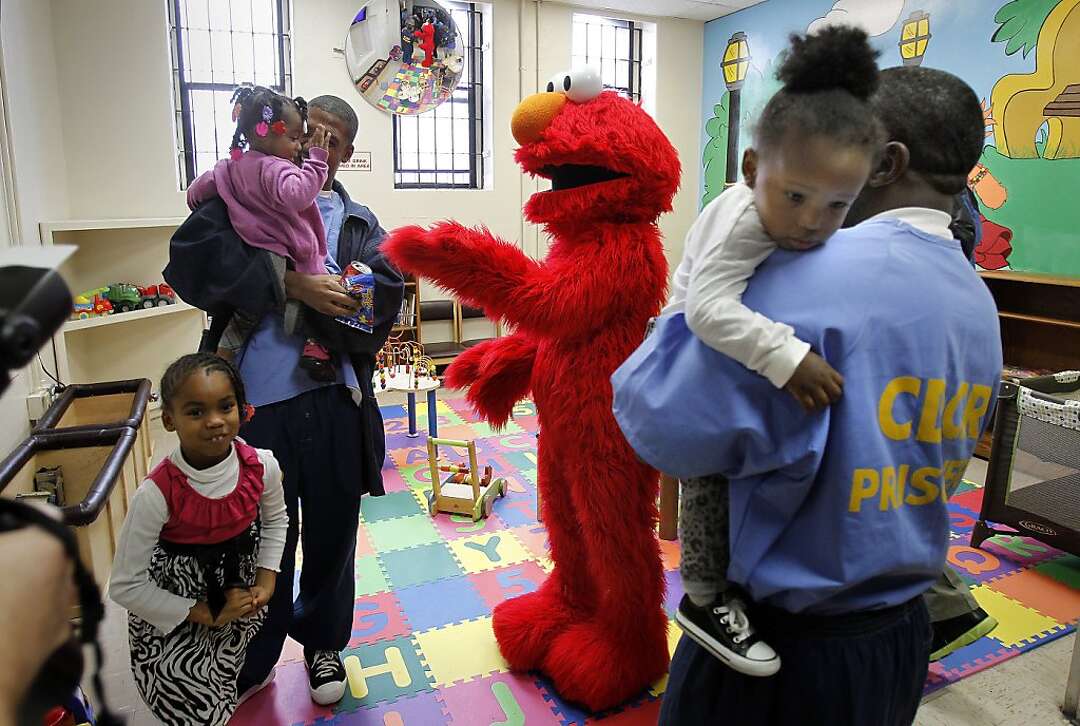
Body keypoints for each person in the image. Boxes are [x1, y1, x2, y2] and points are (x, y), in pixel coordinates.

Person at [612, 63, 1001, 725]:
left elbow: (659, 419)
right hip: (899, 639)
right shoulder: (978, 303)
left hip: (779, 652)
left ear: (883, 161)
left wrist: (673, 319)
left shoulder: (804, 275)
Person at [663, 26, 881, 677]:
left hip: (731, 349)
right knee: (707, 464)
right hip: (686, 354)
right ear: (753, 170)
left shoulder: (787, 214)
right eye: (797, 197)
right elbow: (707, 310)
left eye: (838, 204)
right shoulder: (745, 219)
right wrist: (788, 356)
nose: (814, 220)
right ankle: (703, 596)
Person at [229, 94, 404, 706]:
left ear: (348, 155)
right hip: (259, 404)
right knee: (263, 537)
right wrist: (290, 284)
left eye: (336, 143)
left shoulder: (360, 224)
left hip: (334, 400)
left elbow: (382, 298)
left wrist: (340, 303)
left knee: (332, 532)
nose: (321, 150)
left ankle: (324, 643)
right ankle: (258, 651)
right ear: (295, 136)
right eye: (314, 137)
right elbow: (194, 264)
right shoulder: (248, 197)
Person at [109, 353, 288, 726]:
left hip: (236, 595)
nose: (215, 422)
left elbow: (276, 521)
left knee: (225, 677)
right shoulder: (155, 494)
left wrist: (267, 579)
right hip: (176, 606)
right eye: (195, 412)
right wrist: (203, 612)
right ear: (170, 420)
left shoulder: (262, 466)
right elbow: (125, 586)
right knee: (190, 698)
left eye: (226, 407)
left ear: (243, 408)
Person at [186, 85, 337, 382]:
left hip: (253, 251)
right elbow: (298, 196)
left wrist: (196, 201)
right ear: (266, 132)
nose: (298, 147)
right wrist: (316, 160)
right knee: (320, 283)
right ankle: (315, 345)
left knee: (245, 313)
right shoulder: (275, 169)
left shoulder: (232, 166)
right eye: (294, 138)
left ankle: (222, 356)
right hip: (286, 249)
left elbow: (199, 190)